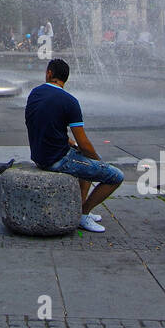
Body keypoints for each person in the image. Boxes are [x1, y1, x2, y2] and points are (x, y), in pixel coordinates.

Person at [23, 58, 122, 233]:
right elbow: (84, 142)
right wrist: (98, 162)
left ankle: (79, 208)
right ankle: (83, 214)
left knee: (84, 160)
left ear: (49, 73)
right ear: (65, 78)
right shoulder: (69, 101)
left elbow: (46, 127)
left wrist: (73, 144)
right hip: (57, 160)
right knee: (115, 176)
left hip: (39, 155)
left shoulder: (35, 93)